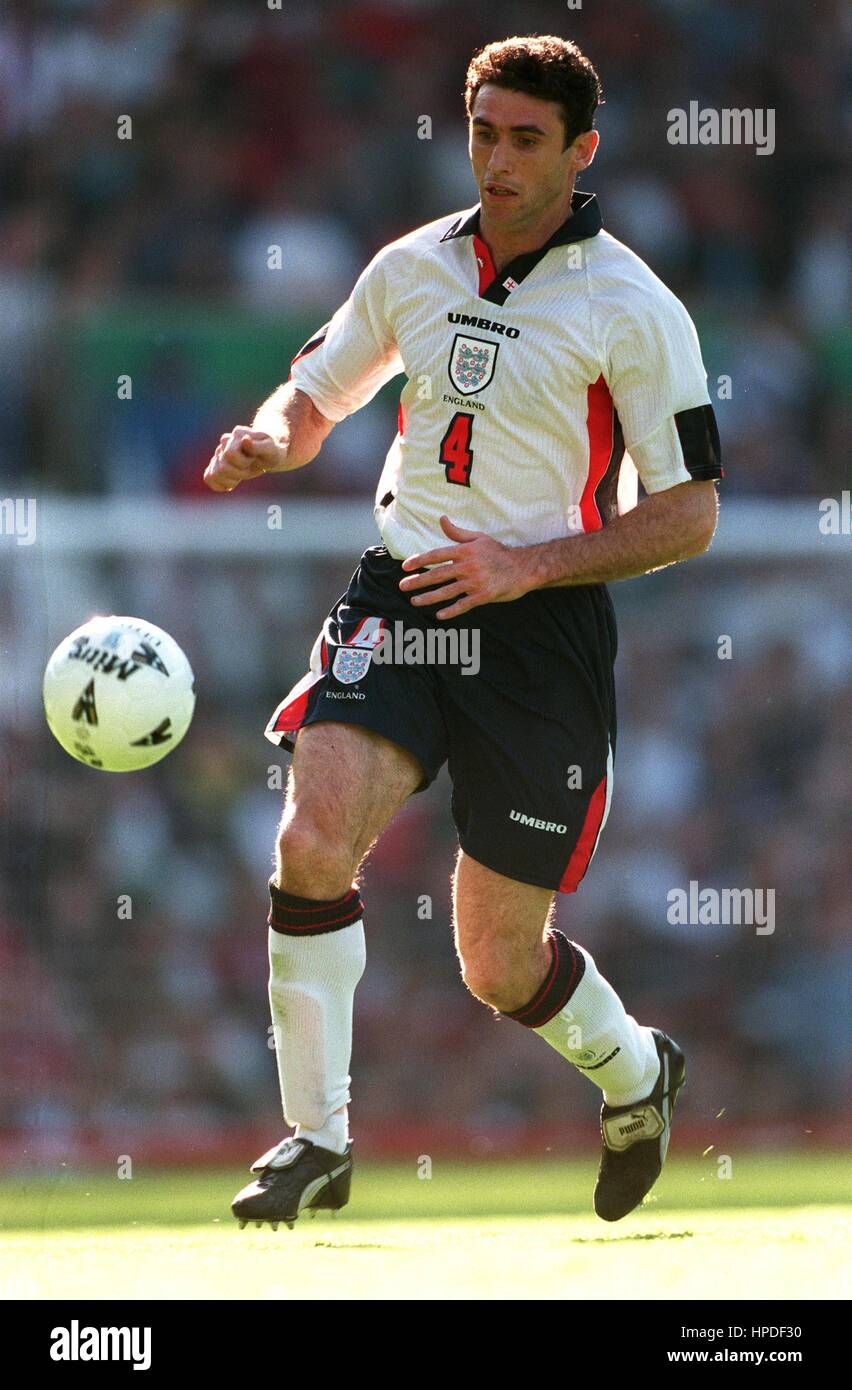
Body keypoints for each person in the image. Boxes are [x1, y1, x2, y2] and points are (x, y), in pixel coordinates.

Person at [205, 34, 722, 1227]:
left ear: (581, 151)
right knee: (311, 840)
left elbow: (690, 512)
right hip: (401, 594)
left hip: (538, 635)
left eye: (525, 139)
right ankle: (314, 1140)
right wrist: (275, 437)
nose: (496, 158)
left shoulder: (635, 309)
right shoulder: (413, 266)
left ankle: (639, 1071)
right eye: (483, 131)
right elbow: (316, 393)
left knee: (495, 962)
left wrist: (526, 563)